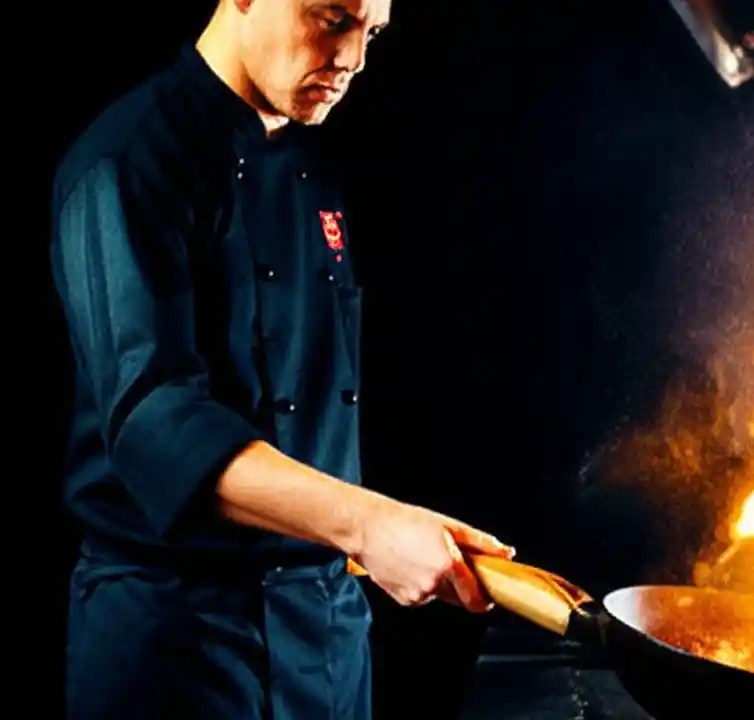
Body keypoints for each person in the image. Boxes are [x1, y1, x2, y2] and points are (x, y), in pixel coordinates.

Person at [48, 1, 515, 717]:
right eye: (332, 19)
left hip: (324, 633)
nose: (353, 58)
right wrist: (368, 523)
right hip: (179, 644)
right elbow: (155, 425)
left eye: (373, 32)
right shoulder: (129, 162)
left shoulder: (310, 162)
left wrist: (376, 539)